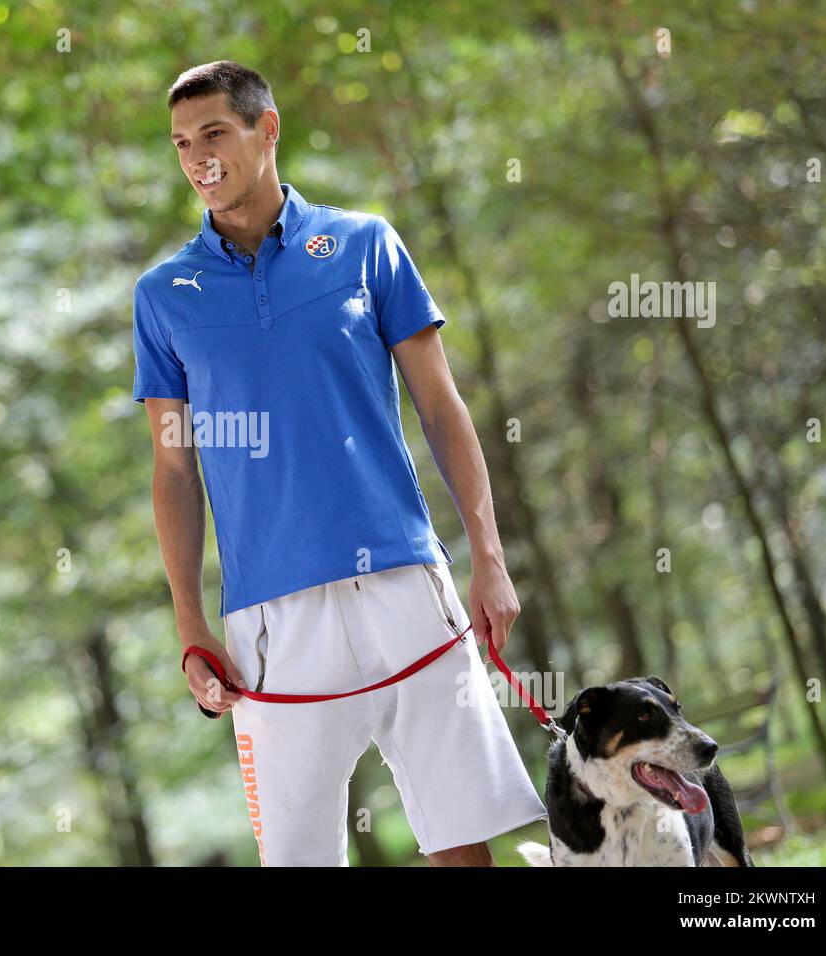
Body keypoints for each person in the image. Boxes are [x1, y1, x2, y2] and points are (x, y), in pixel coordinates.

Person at [131, 60, 546, 866]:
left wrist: (488, 558)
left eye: (214, 133)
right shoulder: (164, 293)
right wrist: (188, 618)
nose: (197, 158)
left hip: (402, 579)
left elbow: (441, 408)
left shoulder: (365, 244)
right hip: (268, 616)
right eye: (182, 143)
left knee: (460, 841)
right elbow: (175, 471)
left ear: (268, 128)